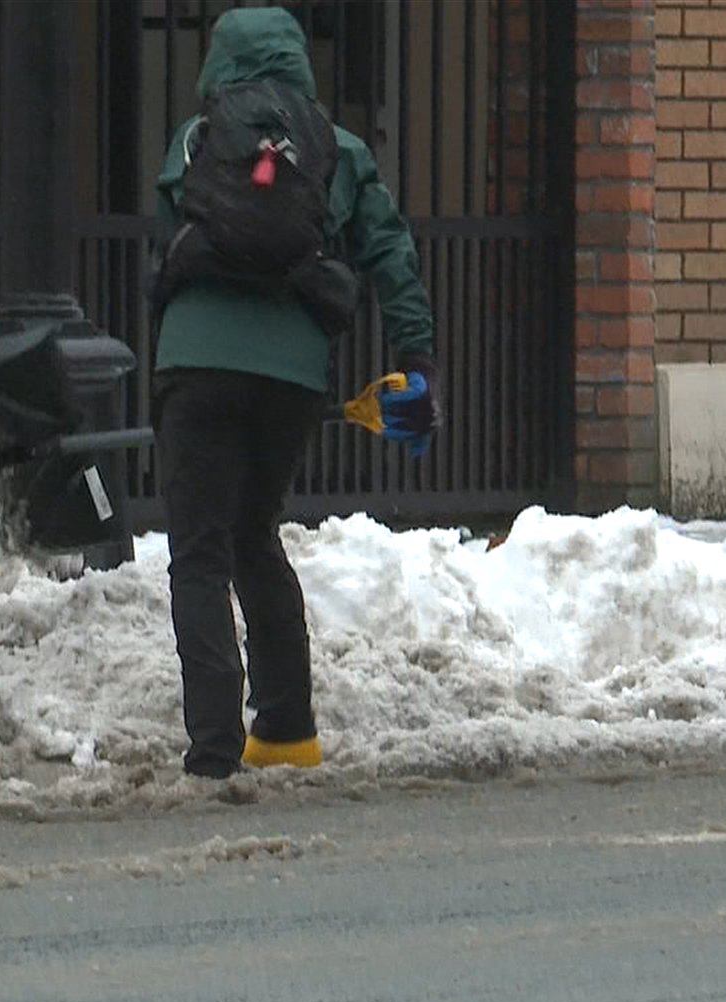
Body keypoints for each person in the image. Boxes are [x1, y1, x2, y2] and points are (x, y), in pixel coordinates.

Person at [150, 7, 438, 779]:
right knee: (255, 534)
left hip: (197, 367)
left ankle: (214, 748)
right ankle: (286, 727)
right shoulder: (338, 149)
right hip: (292, 378)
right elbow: (391, 253)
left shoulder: (195, 140)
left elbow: (167, 239)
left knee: (200, 554)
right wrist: (416, 353)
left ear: (219, 64)